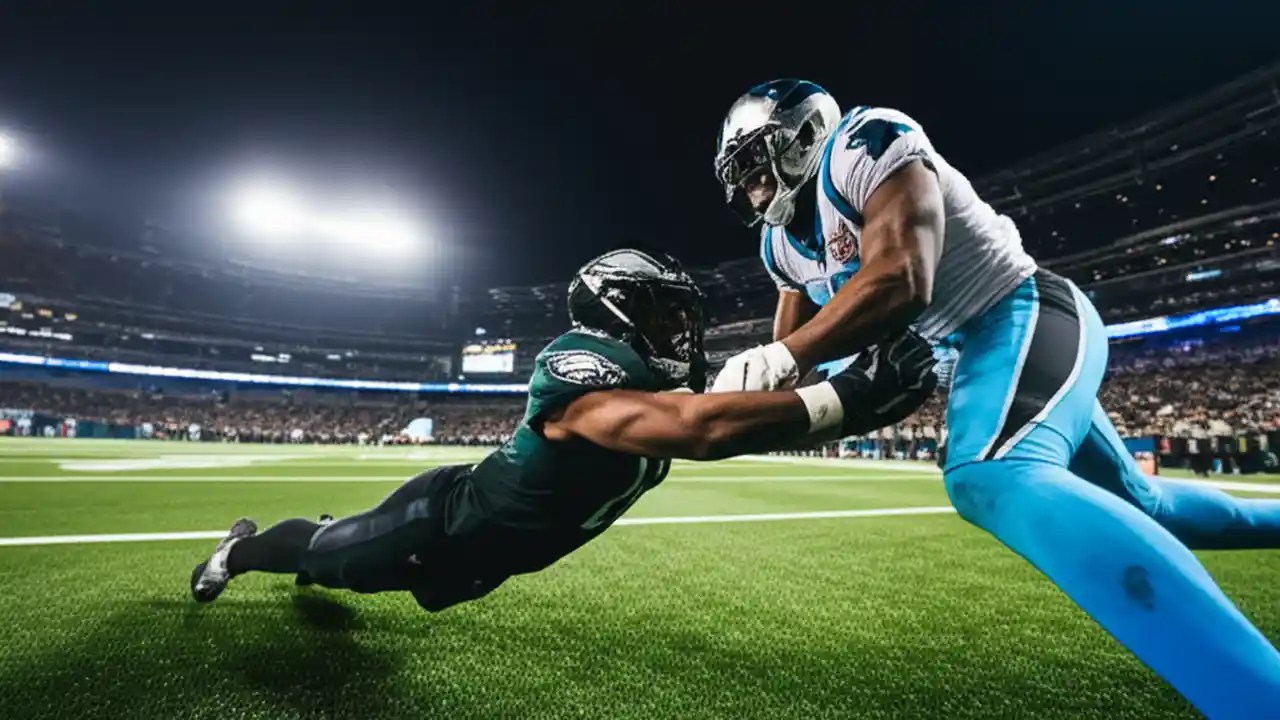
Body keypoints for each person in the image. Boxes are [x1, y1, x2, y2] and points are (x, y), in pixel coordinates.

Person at [711, 79, 1280, 717]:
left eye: (760, 166)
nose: (754, 189)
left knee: (992, 475)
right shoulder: (780, 245)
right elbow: (796, 355)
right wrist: (746, 395)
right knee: (1148, 505)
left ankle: (1257, 697)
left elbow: (903, 276)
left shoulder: (863, 142)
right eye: (743, 177)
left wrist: (783, 359)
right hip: (984, 355)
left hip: (1021, 309)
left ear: (803, 136)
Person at [190, 248, 936, 612]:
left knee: (397, 588)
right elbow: (704, 431)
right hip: (443, 521)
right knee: (324, 563)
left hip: (486, 559)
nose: (682, 326)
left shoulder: (666, 387)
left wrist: (830, 367)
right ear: (616, 314)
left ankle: (338, 537)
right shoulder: (586, 370)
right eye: (663, 311)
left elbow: (737, 416)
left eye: (683, 312)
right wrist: (850, 401)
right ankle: (240, 550)